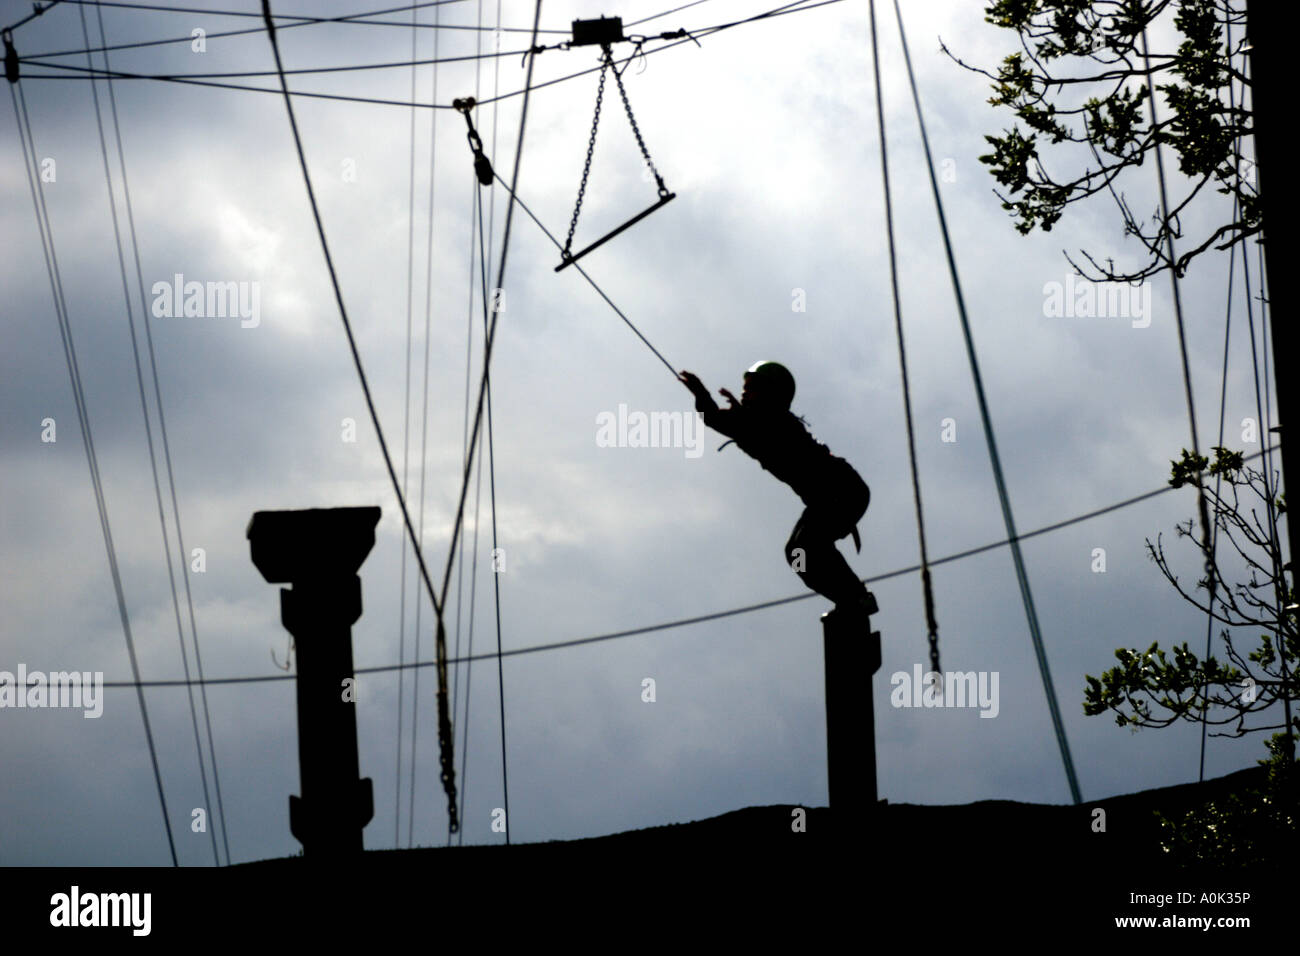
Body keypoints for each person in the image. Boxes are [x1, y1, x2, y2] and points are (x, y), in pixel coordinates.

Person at [679, 361, 878, 619]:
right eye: (744, 388)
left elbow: (731, 421)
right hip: (833, 496)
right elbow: (738, 424)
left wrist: (702, 394)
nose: (743, 393)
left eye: (751, 389)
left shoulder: (771, 421)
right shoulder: (760, 420)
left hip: (843, 491)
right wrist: (720, 403)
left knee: (804, 547)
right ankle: (850, 598)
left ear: (771, 393)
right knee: (797, 552)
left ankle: (855, 597)